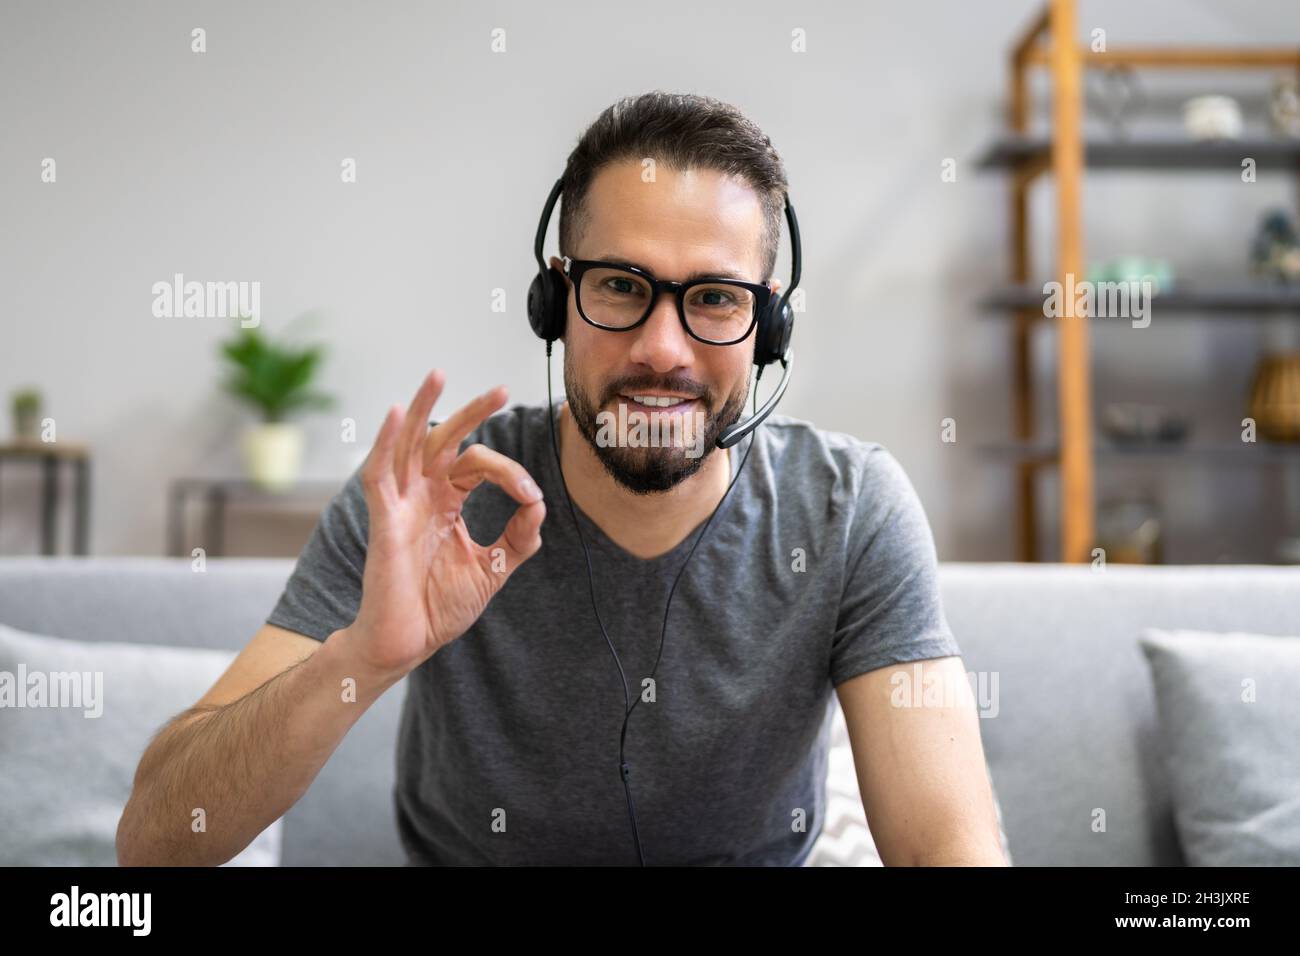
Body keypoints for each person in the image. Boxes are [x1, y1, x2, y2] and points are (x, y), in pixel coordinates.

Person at [117, 91, 1007, 867]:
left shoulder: (848, 510)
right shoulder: (431, 495)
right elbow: (155, 843)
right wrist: (360, 657)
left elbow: (944, 847)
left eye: (714, 298)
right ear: (555, 303)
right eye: (620, 286)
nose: (662, 348)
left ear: (768, 327)